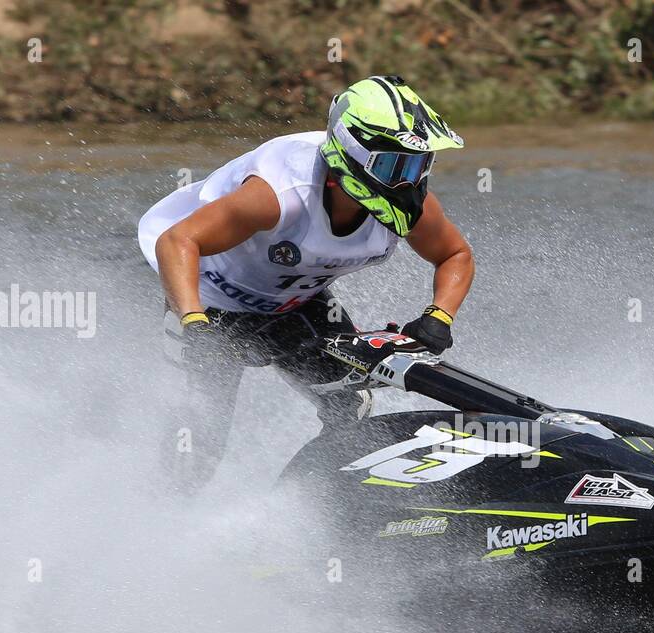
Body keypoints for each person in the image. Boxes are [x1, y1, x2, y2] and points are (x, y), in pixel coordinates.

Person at [138, 75, 473, 489]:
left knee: (349, 408)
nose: (408, 182)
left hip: (296, 306)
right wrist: (193, 323)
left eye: (417, 165)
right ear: (350, 156)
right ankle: (164, 521)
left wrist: (438, 318)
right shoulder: (280, 194)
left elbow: (454, 256)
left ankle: (332, 509)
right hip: (207, 306)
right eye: (393, 165)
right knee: (199, 440)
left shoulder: (414, 205)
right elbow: (177, 241)